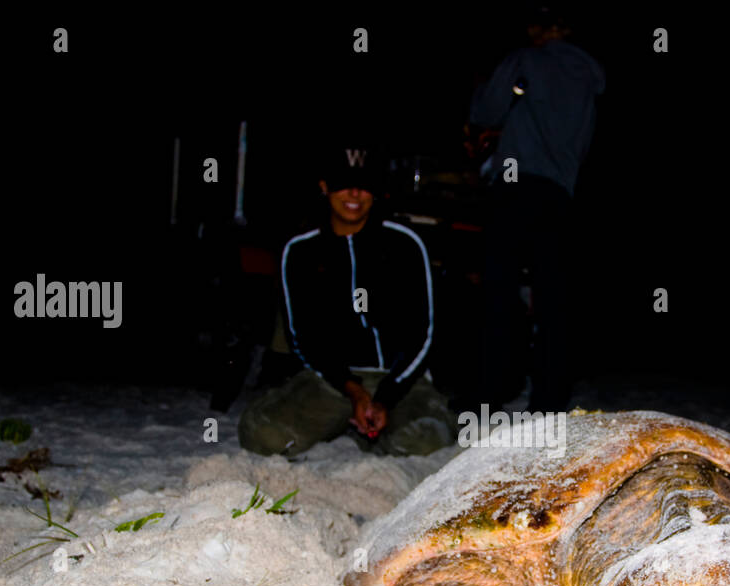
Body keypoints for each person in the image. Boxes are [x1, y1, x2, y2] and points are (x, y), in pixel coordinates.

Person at [238, 145, 457, 457]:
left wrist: (385, 396)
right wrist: (352, 390)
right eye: (343, 183)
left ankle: (372, 432)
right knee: (262, 435)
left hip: (401, 382)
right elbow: (303, 339)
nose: (354, 193)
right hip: (332, 382)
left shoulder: (405, 244)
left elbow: (424, 335)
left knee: (425, 443)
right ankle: (346, 424)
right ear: (324, 187)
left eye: (364, 184)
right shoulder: (300, 251)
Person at [468, 5, 605, 411]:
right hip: (559, 192)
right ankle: (549, 401)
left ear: (536, 27)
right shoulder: (589, 81)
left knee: (499, 290)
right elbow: (583, 146)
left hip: (514, 184)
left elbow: (484, 112)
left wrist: (488, 91)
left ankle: (490, 392)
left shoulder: (525, 60)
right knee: (552, 300)